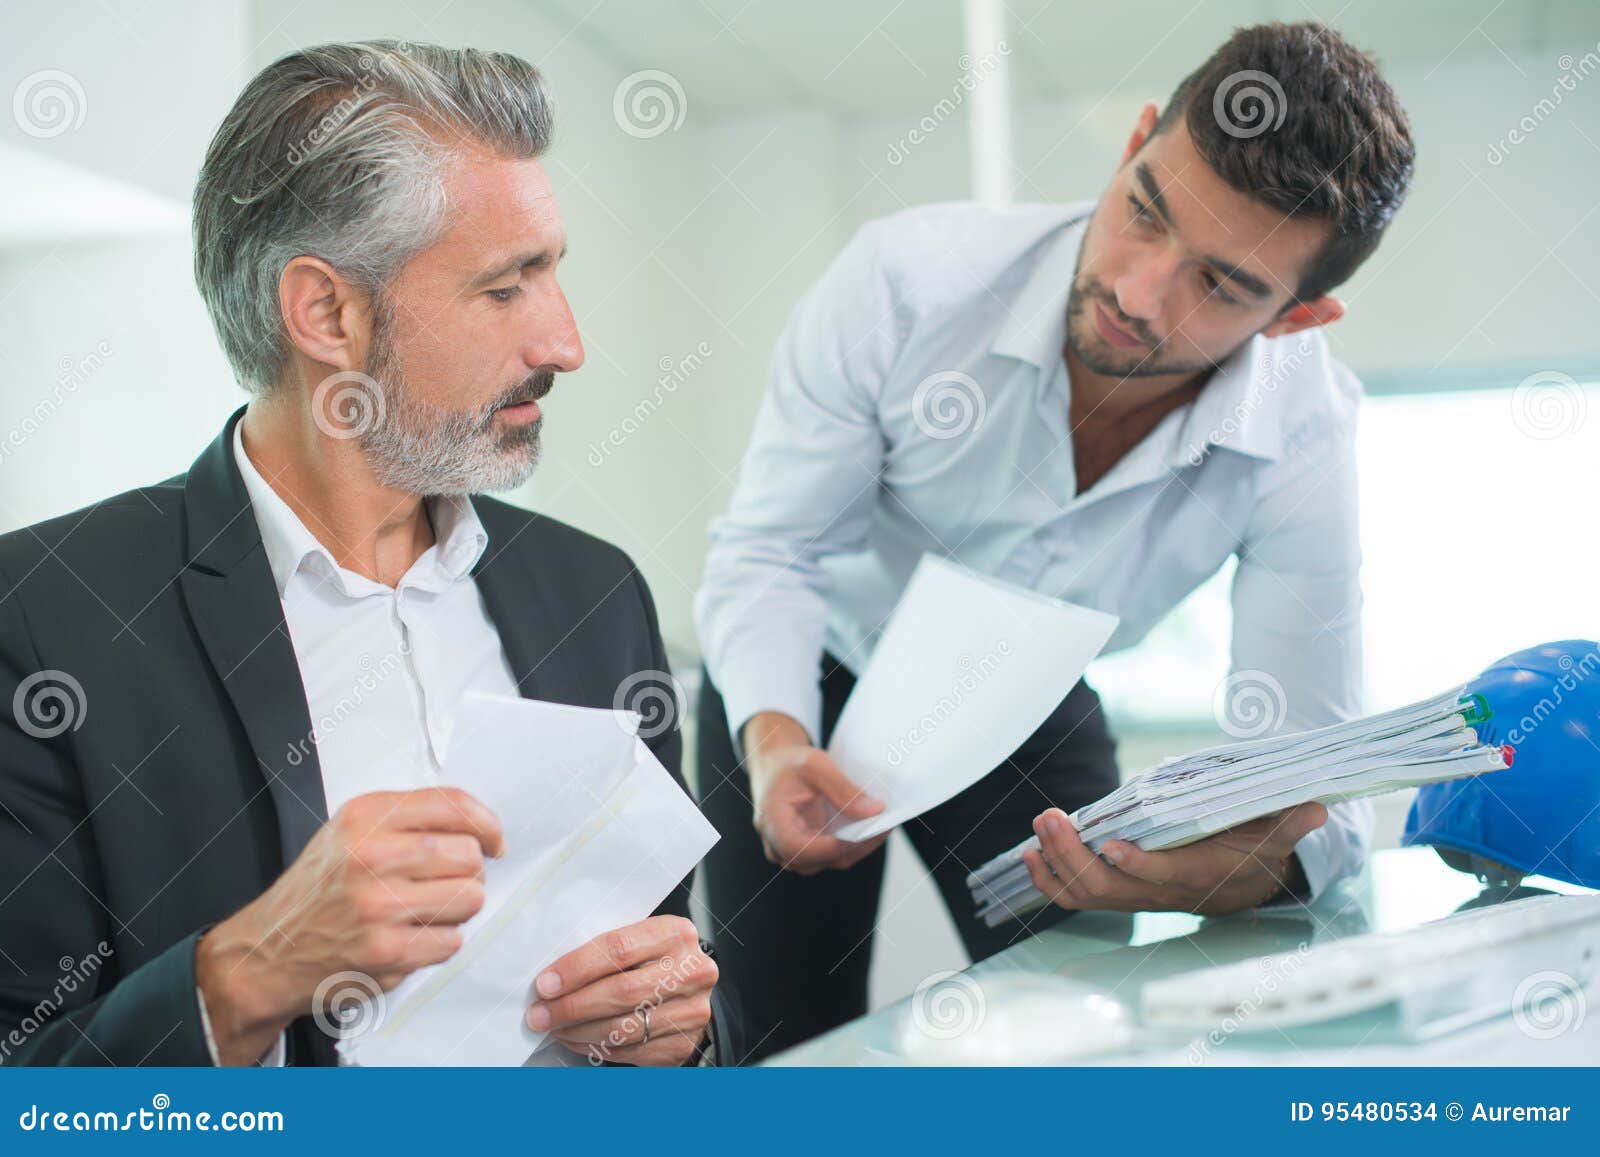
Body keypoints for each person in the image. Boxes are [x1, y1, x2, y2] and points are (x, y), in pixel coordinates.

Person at [0, 41, 731, 1067]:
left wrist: (675, 1036)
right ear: (325, 312)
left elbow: (672, 973)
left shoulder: (593, 589)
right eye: (505, 288)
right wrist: (248, 971)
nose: (565, 343)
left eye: (553, 272)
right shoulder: (42, 612)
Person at [694, 21, 1415, 1061]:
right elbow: (769, 551)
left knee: (1081, 1014)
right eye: (1143, 213)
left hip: (1030, 697)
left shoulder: (1305, 431)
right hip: (805, 664)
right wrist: (770, 739)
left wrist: (1213, 871)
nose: (1136, 292)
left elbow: (1306, 774)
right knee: (779, 1033)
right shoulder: (906, 282)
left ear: (1296, 319)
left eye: (1218, 284)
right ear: (1129, 146)